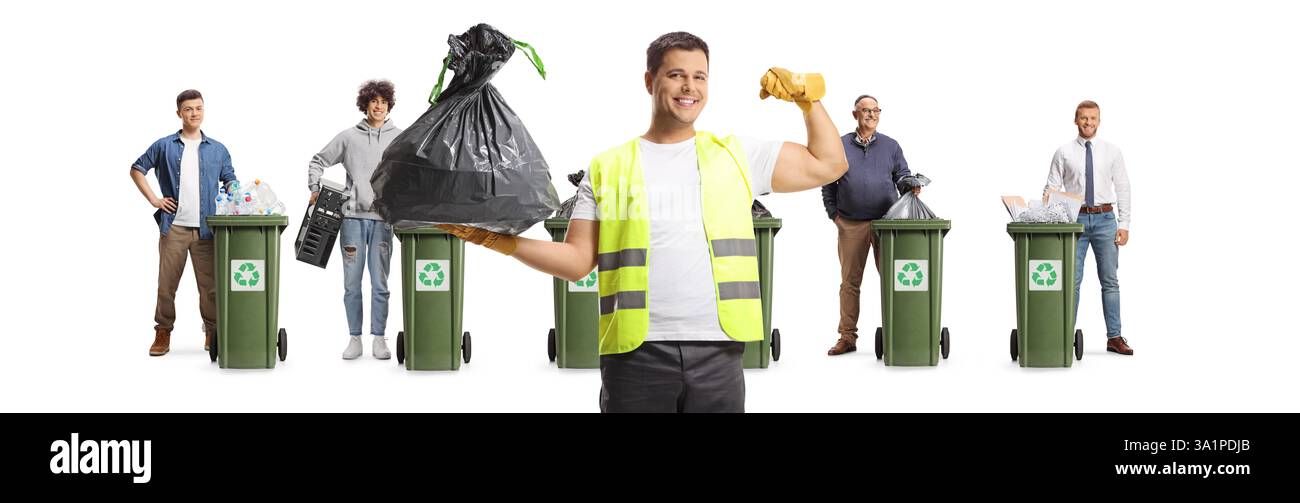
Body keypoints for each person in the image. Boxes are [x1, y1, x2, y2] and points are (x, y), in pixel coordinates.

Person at [440, 32, 848, 412]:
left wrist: (808, 102)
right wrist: (496, 241)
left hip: (719, 348)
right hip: (635, 352)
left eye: (699, 77)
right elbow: (578, 260)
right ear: (650, 81)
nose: (690, 87)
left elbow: (829, 164)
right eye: (676, 75)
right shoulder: (607, 167)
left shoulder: (737, 154)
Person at [129, 89, 237, 356]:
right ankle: (162, 331)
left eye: (198, 108)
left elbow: (230, 179)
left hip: (207, 230)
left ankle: (212, 331)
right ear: (179, 113)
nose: (194, 113)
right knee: (166, 285)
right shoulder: (164, 145)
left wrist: (238, 192)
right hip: (174, 227)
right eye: (188, 109)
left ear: (204, 110)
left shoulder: (218, 149)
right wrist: (155, 199)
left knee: (210, 287)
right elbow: (137, 168)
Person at [307, 80, 404, 360]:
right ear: (365, 105)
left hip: (383, 220)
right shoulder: (349, 137)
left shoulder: (399, 138)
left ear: (389, 106)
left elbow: (414, 171)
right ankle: (354, 338)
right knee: (352, 283)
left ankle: (378, 339)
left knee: (380, 284)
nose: (379, 107)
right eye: (374, 101)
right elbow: (318, 160)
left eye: (384, 102)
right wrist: (315, 187)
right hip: (351, 219)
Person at [821, 94, 918, 356]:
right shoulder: (840, 145)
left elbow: (902, 176)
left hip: (887, 226)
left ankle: (898, 332)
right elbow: (828, 182)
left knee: (893, 280)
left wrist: (911, 184)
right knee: (850, 283)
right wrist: (835, 215)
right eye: (866, 110)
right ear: (855, 114)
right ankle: (847, 337)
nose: (872, 115)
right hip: (851, 224)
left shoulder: (891, 146)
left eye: (876, 110)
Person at [1044, 100, 1133, 355]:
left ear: (1099, 121)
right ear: (1076, 120)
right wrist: (1050, 219)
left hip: (1106, 219)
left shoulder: (1112, 152)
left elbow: (1123, 187)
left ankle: (1114, 337)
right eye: (1084, 118)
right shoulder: (1063, 152)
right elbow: (1051, 188)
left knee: (1110, 281)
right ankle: (1064, 336)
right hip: (1076, 222)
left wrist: (1124, 224)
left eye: (1093, 118)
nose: (1088, 123)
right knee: (1071, 281)